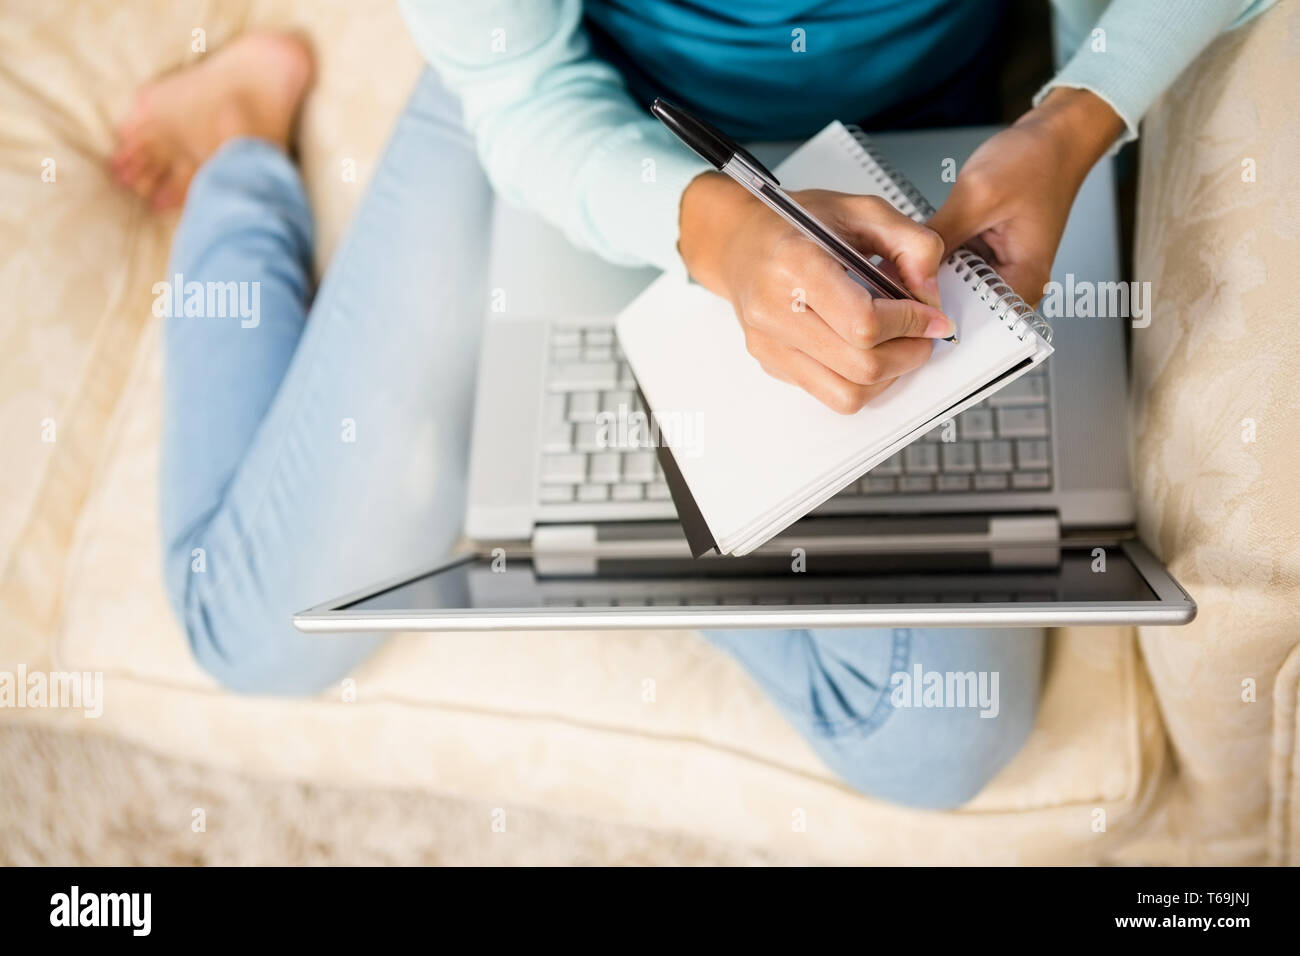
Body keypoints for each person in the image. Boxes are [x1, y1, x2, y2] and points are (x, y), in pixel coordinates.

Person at [111, 1, 1272, 809]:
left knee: (939, 734)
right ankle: (236, 151)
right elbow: (521, 93)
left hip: (922, 150)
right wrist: (708, 229)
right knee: (251, 629)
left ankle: (581, 491)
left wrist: (1074, 120)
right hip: (588, 119)